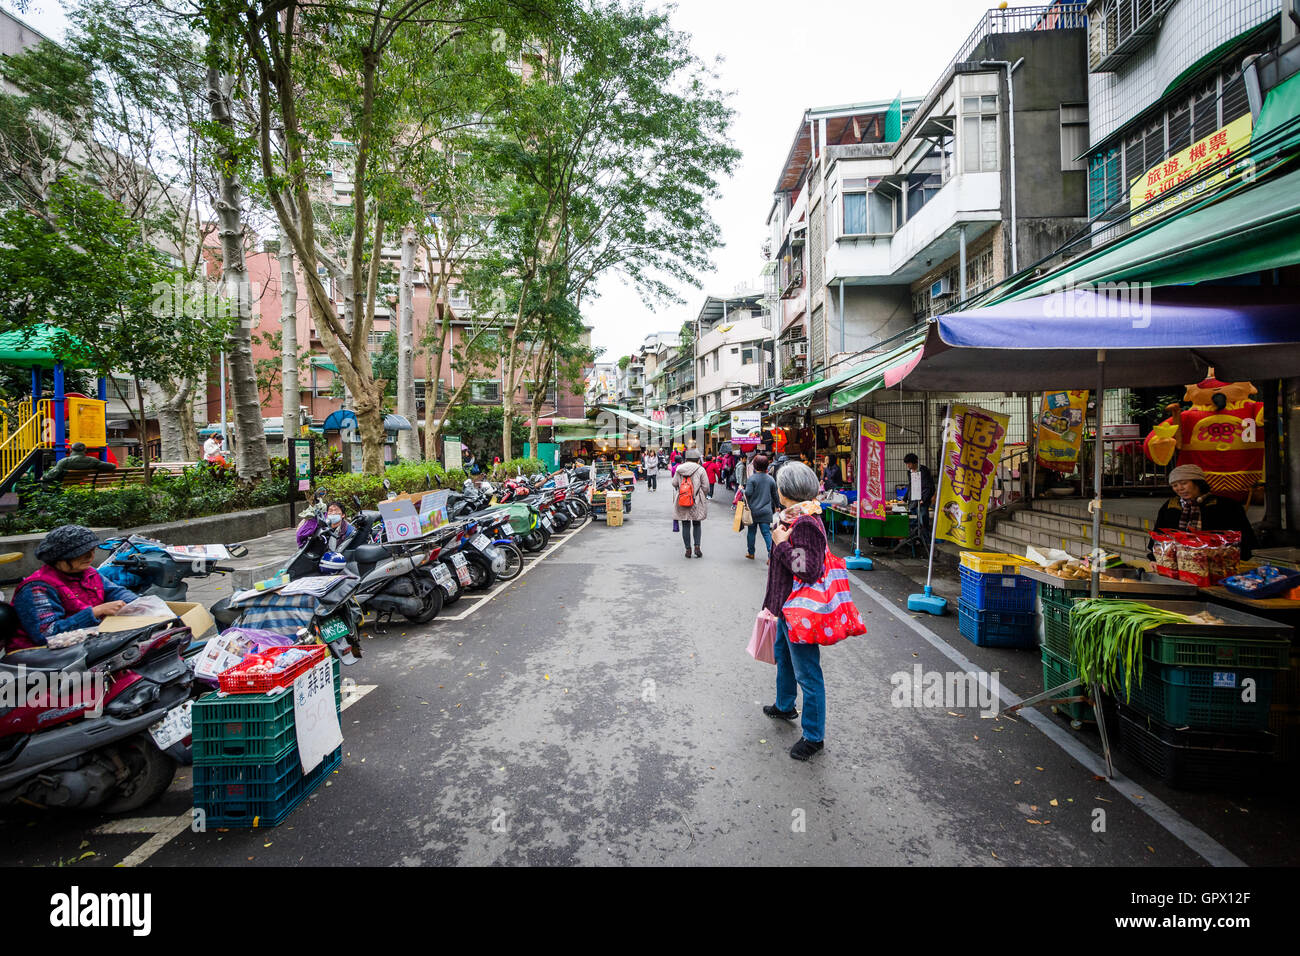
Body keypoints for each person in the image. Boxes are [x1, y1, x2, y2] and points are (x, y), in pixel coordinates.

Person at [761, 462, 829, 761]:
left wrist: (779, 545)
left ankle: (814, 736)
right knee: (784, 660)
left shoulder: (806, 523)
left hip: (800, 611)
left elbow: (808, 569)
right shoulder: (794, 517)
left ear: (786, 491)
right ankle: (784, 705)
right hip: (786, 607)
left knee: (808, 672)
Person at [10, 524, 139, 650]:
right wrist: (95, 612)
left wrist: (139, 605)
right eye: (82, 553)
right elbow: (46, 634)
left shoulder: (89, 573)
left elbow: (116, 592)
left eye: (92, 550)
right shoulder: (36, 588)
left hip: (82, 644)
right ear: (60, 558)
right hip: (40, 657)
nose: (90, 556)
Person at [1150, 463, 1258, 558]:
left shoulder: (1225, 506)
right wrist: (1155, 558)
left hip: (1218, 562)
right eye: (1175, 485)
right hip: (1180, 562)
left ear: (1198, 483)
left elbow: (1244, 538)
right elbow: (1158, 536)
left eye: (1184, 483)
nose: (1179, 488)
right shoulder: (1170, 506)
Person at [672, 447, 708, 559]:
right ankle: (697, 547)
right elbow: (706, 486)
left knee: (685, 524)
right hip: (696, 499)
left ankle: (688, 549)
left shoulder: (679, 469)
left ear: (686, 459)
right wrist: (702, 495)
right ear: (697, 459)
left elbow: (674, 483)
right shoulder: (701, 469)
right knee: (697, 523)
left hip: (682, 499)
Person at [743, 454, 778, 562]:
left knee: (751, 532)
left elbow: (748, 493)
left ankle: (751, 552)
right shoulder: (770, 479)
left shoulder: (752, 479)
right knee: (767, 533)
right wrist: (778, 506)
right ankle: (770, 555)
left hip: (753, 511)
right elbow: (775, 495)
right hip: (766, 511)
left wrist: (741, 490)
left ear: (755, 465)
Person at [39, 442, 116, 485]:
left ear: (71, 450)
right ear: (85, 450)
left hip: (63, 485)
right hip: (79, 483)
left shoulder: (65, 461)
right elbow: (112, 466)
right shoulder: (93, 461)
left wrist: (43, 478)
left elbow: (53, 473)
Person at [903, 453, 935, 533]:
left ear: (915, 462)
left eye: (909, 463)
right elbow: (911, 485)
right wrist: (905, 498)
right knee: (914, 521)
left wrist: (923, 499)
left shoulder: (923, 470)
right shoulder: (909, 472)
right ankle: (916, 538)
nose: (908, 465)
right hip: (913, 499)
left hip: (923, 500)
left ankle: (926, 539)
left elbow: (928, 487)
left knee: (923, 520)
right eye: (907, 464)